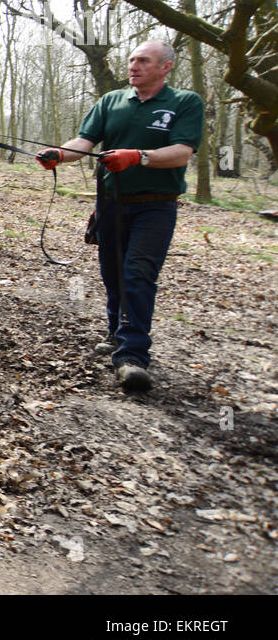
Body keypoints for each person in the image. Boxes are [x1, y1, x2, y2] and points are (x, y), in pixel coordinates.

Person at [37, 39, 204, 393]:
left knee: (138, 274)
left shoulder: (184, 102)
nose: (133, 66)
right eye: (131, 60)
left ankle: (132, 357)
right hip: (111, 204)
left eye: (143, 60)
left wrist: (138, 156)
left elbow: (181, 152)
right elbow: (84, 142)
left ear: (166, 67)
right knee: (113, 274)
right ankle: (116, 333)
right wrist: (58, 154)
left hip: (155, 206)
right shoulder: (111, 101)